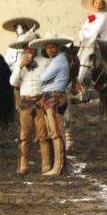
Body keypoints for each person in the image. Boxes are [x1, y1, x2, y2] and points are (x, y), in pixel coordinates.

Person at [33, 32, 72, 175]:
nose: (50, 50)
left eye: (52, 47)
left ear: (58, 47)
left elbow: (43, 77)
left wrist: (46, 78)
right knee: (55, 131)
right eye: (47, 47)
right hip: (52, 96)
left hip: (54, 97)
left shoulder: (59, 60)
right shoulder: (57, 60)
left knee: (56, 132)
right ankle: (60, 165)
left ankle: (58, 166)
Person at [10, 36, 49, 175]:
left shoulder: (45, 62)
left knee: (43, 134)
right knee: (25, 135)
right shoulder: (19, 64)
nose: (28, 50)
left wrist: (44, 97)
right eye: (26, 47)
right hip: (25, 102)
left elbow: (48, 82)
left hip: (40, 102)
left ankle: (46, 165)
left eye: (31, 47)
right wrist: (20, 67)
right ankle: (23, 165)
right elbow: (13, 82)